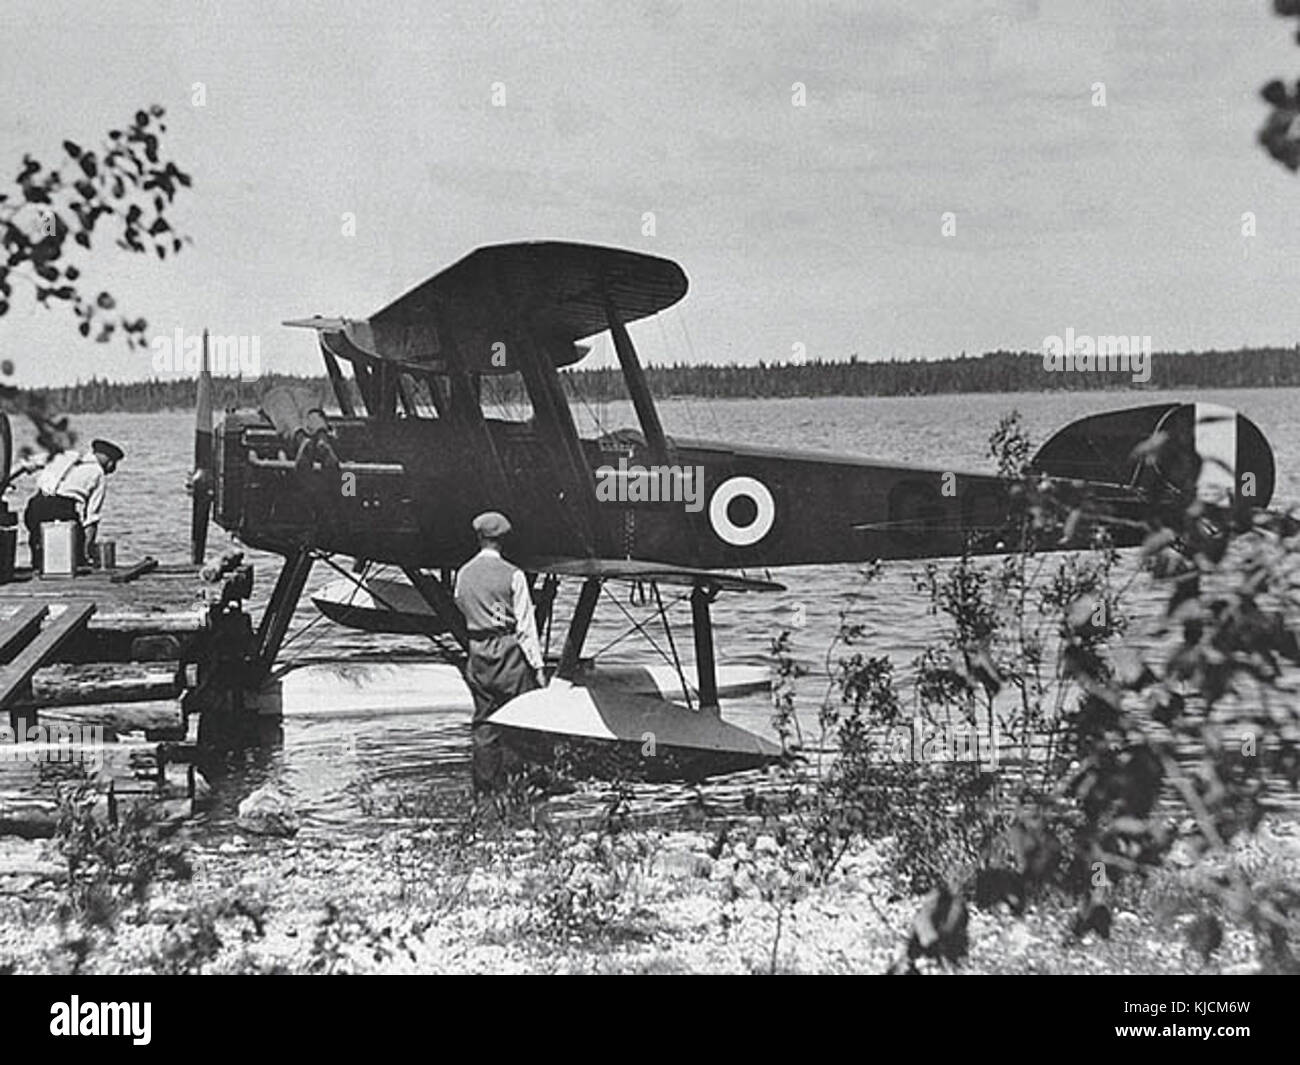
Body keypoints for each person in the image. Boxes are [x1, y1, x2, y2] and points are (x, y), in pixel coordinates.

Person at [453, 510, 545, 793]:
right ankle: (527, 783)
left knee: (484, 721)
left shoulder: (463, 572)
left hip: (478, 650)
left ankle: (487, 786)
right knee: (522, 716)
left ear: (479, 537)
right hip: (507, 650)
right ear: (503, 539)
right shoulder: (513, 574)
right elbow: (525, 626)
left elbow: (459, 603)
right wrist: (538, 667)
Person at [20, 438, 123, 570]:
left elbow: (24, 464)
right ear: (108, 460)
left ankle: (38, 566)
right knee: (72, 551)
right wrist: (86, 552)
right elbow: (91, 518)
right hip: (61, 508)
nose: (113, 467)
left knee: (38, 543)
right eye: (114, 463)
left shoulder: (65, 455)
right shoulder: (98, 473)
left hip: (36, 504)